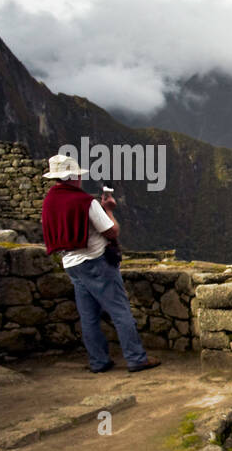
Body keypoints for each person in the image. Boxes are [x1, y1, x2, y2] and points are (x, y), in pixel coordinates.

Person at [39, 154, 161, 374]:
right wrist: (109, 210)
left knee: (88, 317)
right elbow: (111, 230)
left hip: (71, 264)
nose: (79, 178)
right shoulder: (85, 202)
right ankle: (136, 359)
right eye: (77, 174)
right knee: (120, 311)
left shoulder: (49, 202)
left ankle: (98, 361)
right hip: (97, 262)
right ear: (72, 176)